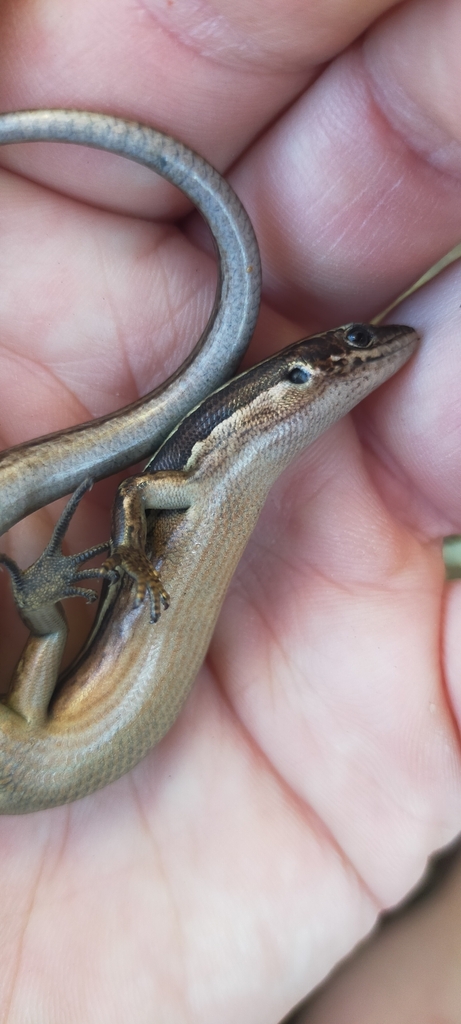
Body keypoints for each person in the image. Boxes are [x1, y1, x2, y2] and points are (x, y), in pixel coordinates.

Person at [0, 0, 460, 1019]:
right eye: (315, 369)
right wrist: (90, 568)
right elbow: (144, 502)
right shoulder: (221, 456)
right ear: (284, 389)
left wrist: (69, 584)